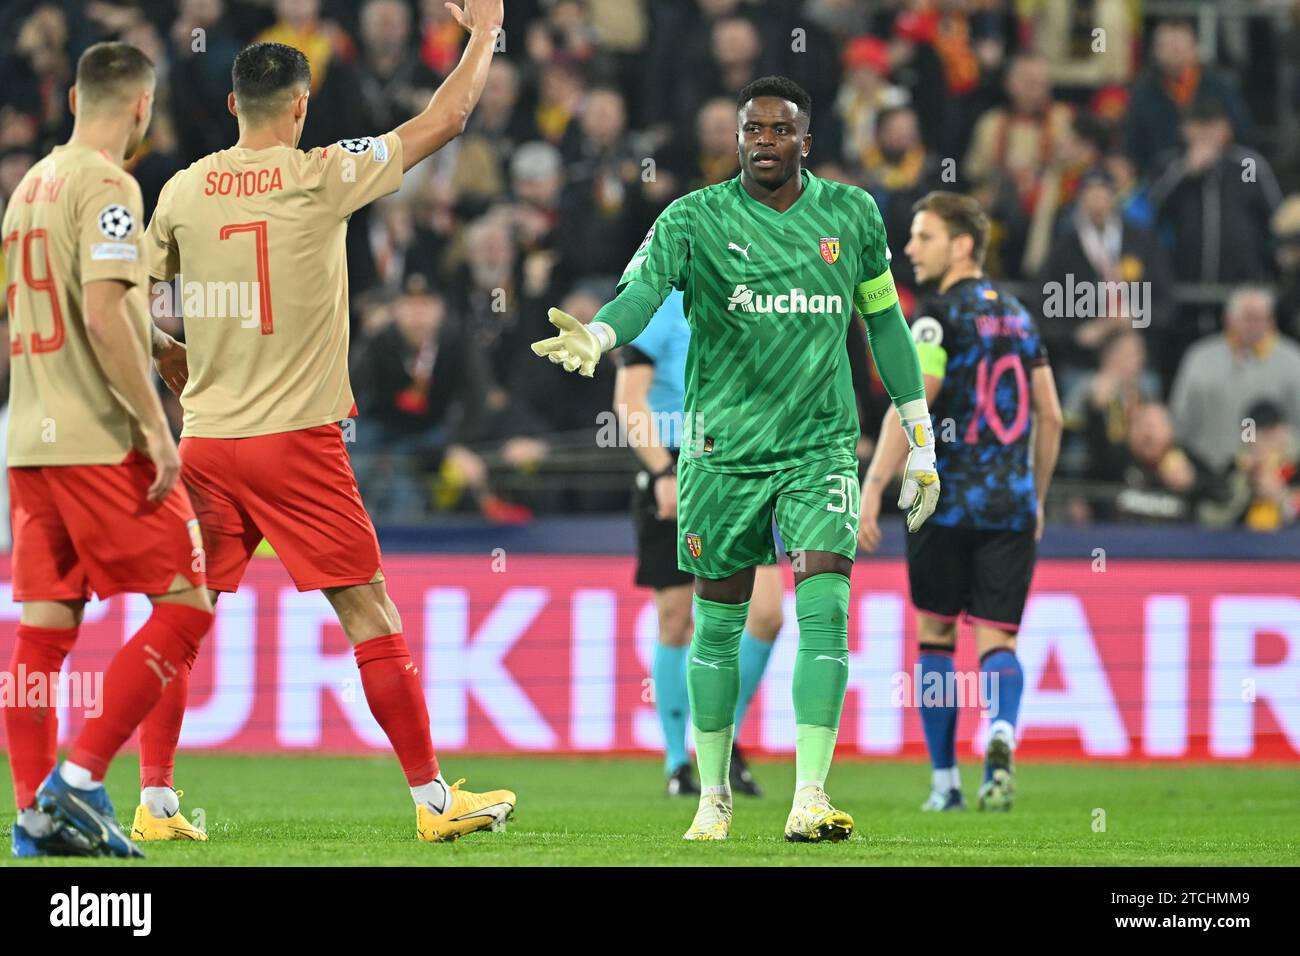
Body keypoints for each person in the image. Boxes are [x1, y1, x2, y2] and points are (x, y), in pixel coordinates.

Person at [138, 1, 515, 845]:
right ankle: (431, 801)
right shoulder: (323, 173)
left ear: (233, 105)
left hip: (205, 442)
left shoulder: (183, 188)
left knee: (180, 616)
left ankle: (155, 803)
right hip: (296, 442)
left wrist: (166, 346)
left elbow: (117, 293)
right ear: (302, 107)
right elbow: (448, 119)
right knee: (371, 614)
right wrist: (486, 32)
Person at [532, 76, 939, 842]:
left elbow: (884, 326)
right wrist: (599, 335)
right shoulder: (693, 218)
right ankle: (711, 793)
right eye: (752, 129)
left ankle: (809, 794)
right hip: (721, 453)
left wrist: (920, 431)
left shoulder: (851, 216)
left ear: (805, 141)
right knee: (714, 628)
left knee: (824, 611)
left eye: (779, 129)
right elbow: (642, 290)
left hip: (818, 445)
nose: (762, 141)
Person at [2, 42, 214, 858]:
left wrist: (156, 341)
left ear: (72, 100)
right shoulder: (111, 185)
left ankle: (31, 817)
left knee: (43, 633)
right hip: (96, 438)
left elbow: (95, 304)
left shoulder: (28, 188)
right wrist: (157, 429)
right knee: (187, 601)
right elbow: (97, 310)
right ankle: (81, 780)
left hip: (29, 440)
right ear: (140, 108)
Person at [859, 191, 1063, 814]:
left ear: (963, 245)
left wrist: (874, 485)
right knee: (998, 639)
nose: (909, 250)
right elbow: (1051, 416)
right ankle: (1000, 731)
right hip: (1009, 504)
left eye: (923, 237)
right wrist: (1038, 496)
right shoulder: (1021, 317)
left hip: (940, 503)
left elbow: (915, 397)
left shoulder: (933, 315)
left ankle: (945, 781)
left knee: (937, 634)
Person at [614, 289, 781, 798]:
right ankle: (675, 761)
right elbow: (628, 399)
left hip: (735, 462)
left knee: (767, 613)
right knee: (677, 618)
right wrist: (662, 471)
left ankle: (721, 739)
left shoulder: (747, 298)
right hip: (675, 461)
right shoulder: (657, 307)